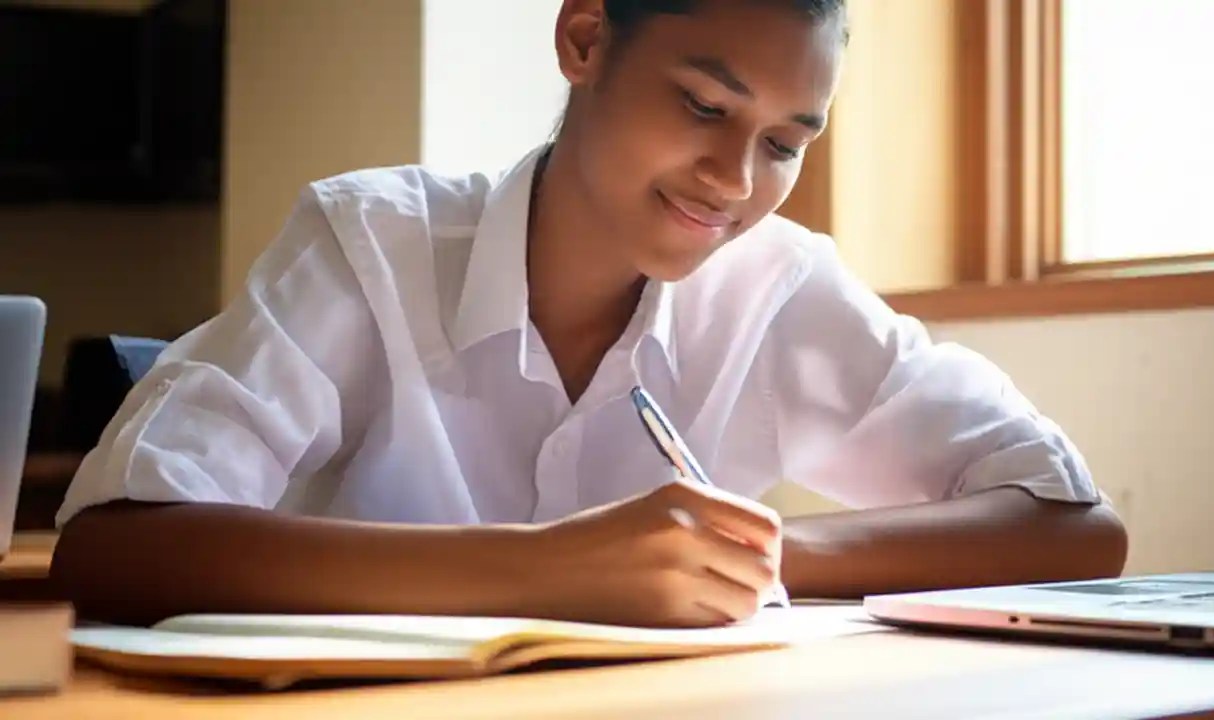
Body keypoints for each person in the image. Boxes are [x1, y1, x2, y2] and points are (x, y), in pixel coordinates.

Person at [51, 0, 1126, 628]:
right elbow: (110, 549)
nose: (732, 177)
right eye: (704, 107)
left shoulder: (779, 285)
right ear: (581, 38)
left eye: (784, 143)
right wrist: (553, 567)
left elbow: (1073, 527)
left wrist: (735, 557)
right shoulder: (369, 243)